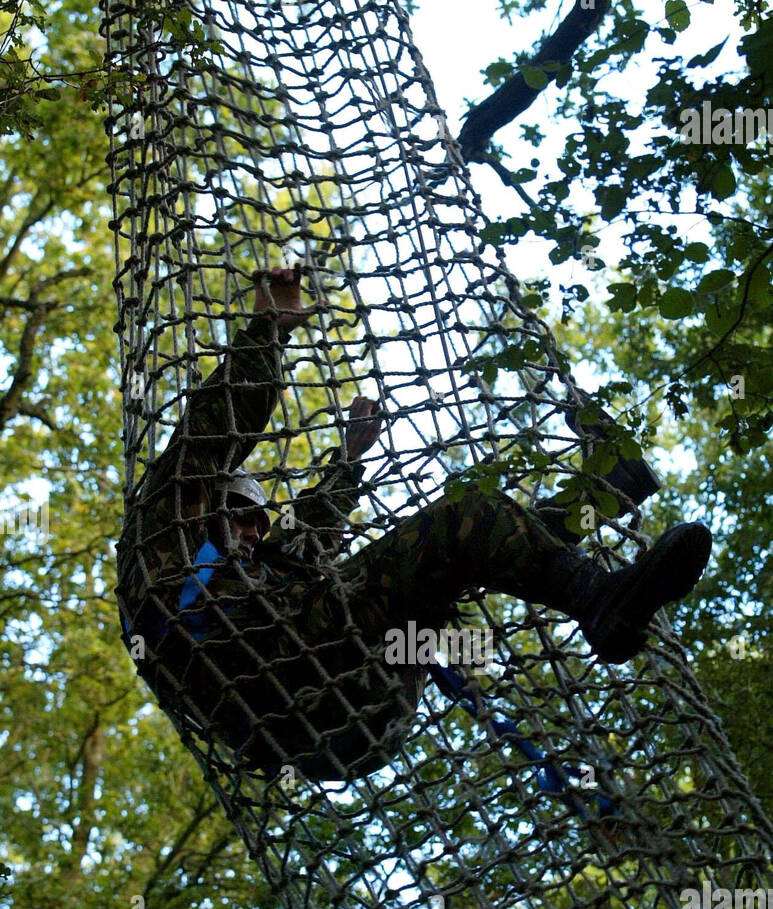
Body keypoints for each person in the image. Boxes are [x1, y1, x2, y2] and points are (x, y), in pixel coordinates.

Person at [116, 266, 711, 783]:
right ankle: (596, 596)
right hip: (292, 687)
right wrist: (269, 328)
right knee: (463, 520)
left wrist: (350, 458)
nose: (251, 530)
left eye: (256, 522)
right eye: (239, 516)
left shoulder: (257, 574)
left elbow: (312, 538)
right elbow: (216, 428)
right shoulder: (167, 535)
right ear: (204, 506)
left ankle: (606, 495)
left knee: (459, 559)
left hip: (359, 701)